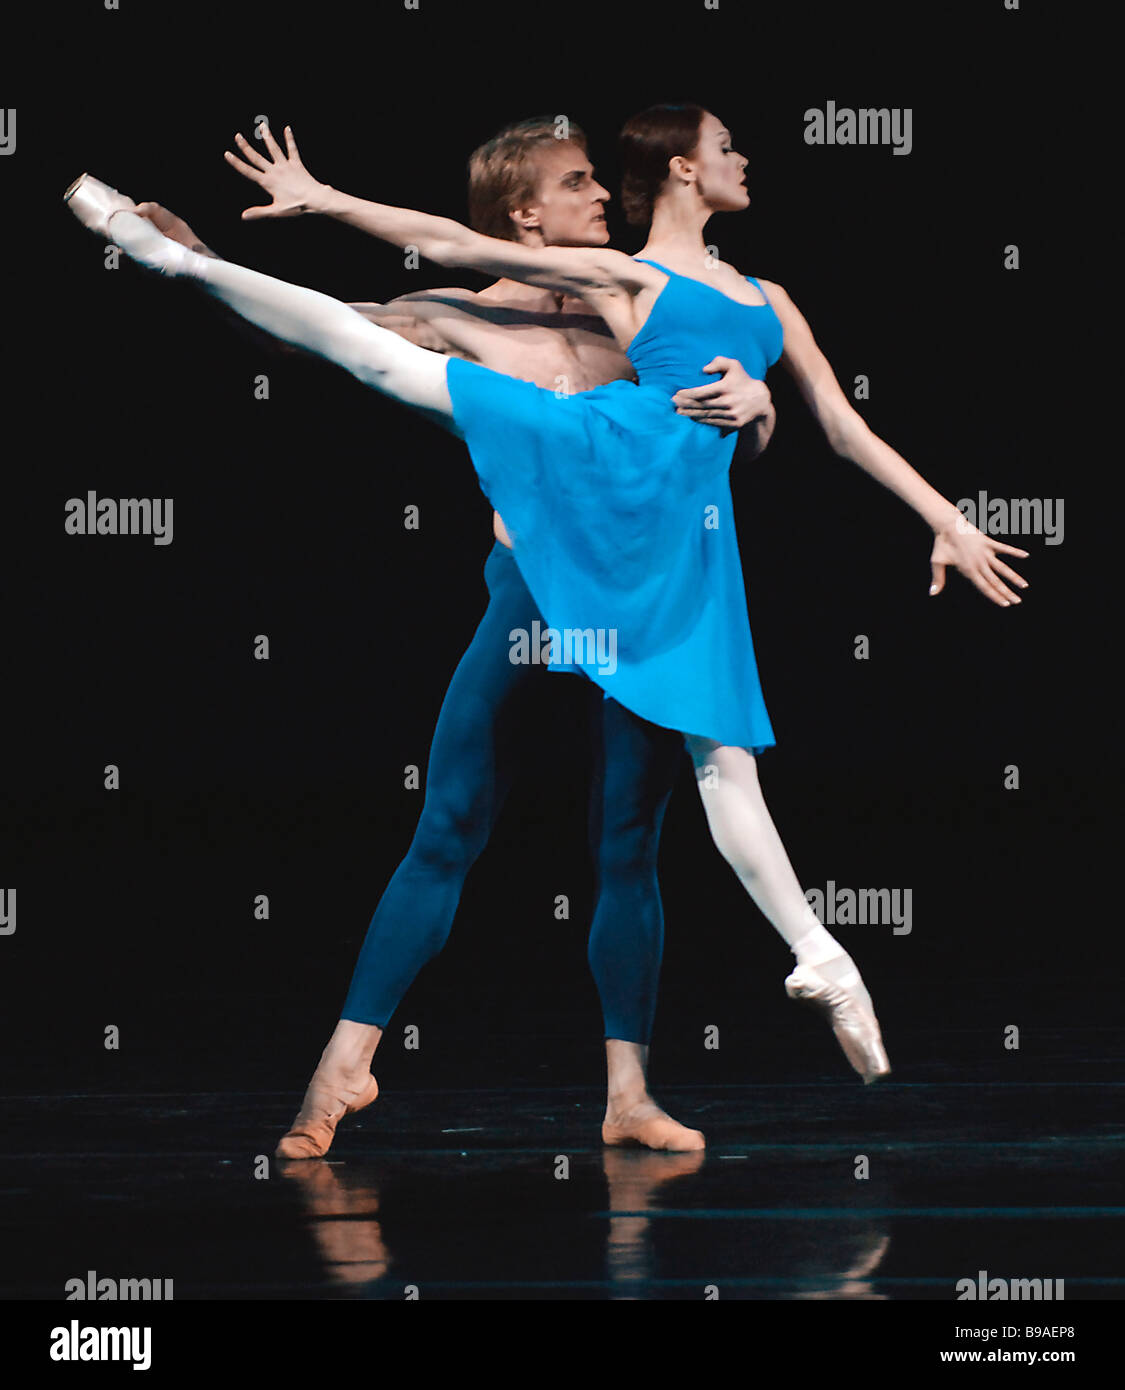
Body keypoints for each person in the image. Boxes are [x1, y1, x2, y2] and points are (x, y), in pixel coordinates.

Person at [64, 101, 1030, 1135]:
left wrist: (760, 405)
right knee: (448, 824)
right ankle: (341, 1070)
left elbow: (726, 425)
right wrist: (205, 258)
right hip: (531, 592)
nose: (603, 194)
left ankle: (628, 1096)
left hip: (644, 591)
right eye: (578, 184)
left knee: (628, 845)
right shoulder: (456, 310)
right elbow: (331, 336)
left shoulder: (636, 306)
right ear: (524, 217)